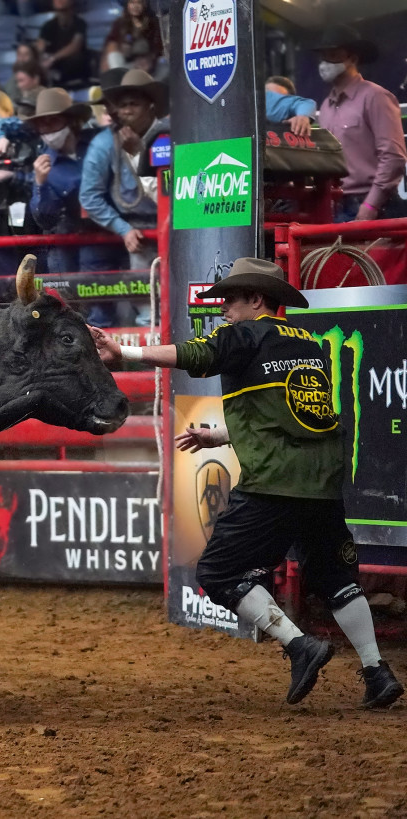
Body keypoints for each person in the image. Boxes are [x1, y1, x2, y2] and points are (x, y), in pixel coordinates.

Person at [93, 258, 404, 710]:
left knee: (218, 572)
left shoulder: (243, 335)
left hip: (272, 482)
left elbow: (192, 355)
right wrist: (219, 435)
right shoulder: (309, 344)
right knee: (336, 577)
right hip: (321, 481)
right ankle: (377, 671)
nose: (223, 309)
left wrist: (124, 352)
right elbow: (294, 412)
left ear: (257, 300)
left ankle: (300, 645)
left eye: (231, 300)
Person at [80, 68, 165, 323]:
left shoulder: (168, 135)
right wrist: (123, 229)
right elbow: (89, 196)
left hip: (174, 229)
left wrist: (138, 152)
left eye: (133, 104)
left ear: (150, 106)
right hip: (138, 234)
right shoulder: (104, 143)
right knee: (147, 307)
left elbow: (172, 188)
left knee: (180, 295)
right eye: (122, 105)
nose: (126, 111)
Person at [313, 25, 407, 222]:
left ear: (353, 59)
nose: (325, 63)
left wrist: (372, 204)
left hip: (371, 204)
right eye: (323, 56)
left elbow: (393, 157)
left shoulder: (375, 97)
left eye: (333, 55)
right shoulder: (326, 106)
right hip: (335, 204)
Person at [24, 87, 114, 280]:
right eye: (42, 124)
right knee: (67, 294)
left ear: (71, 121)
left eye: (53, 121)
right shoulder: (44, 164)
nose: (48, 130)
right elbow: (45, 220)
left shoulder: (98, 141)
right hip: (67, 241)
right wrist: (41, 183)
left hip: (110, 233)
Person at [36, 0, 89, 88]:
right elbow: (40, 46)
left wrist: (53, 58)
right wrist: (40, 58)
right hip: (52, 65)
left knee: (76, 59)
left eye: (64, 10)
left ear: (71, 9)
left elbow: (75, 45)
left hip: (73, 64)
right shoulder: (48, 26)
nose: (61, 14)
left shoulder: (79, 23)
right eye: (58, 10)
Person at [100, 0, 162, 74]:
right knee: (113, 55)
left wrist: (149, 58)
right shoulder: (119, 24)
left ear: (144, 5)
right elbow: (111, 43)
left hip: (145, 64)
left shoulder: (152, 24)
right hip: (124, 63)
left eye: (139, 3)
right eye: (132, 2)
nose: (135, 6)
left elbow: (157, 46)